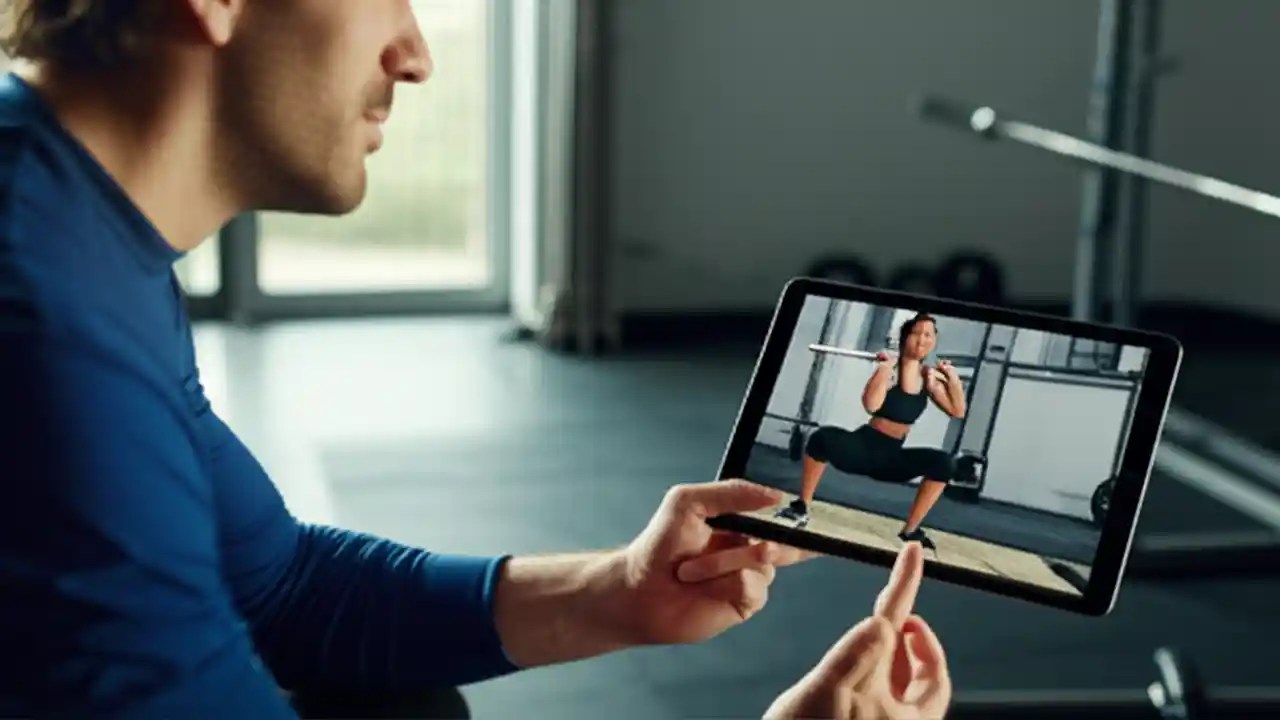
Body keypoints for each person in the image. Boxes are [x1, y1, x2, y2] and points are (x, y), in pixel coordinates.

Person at [0, 2, 951, 718]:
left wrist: (622, 592)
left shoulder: (78, 230)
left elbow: (285, 590)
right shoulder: (45, 333)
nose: (415, 55)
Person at [776, 314, 968, 550]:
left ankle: (910, 531)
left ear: (934, 341)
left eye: (928, 335)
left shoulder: (929, 378)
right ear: (904, 338)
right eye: (916, 333)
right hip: (863, 449)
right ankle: (801, 506)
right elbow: (871, 405)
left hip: (892, 458)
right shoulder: (891, 369)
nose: (922, 340)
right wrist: (883, 370)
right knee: (821, 438)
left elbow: (958, 410)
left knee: (943, 463)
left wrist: (952, 378)